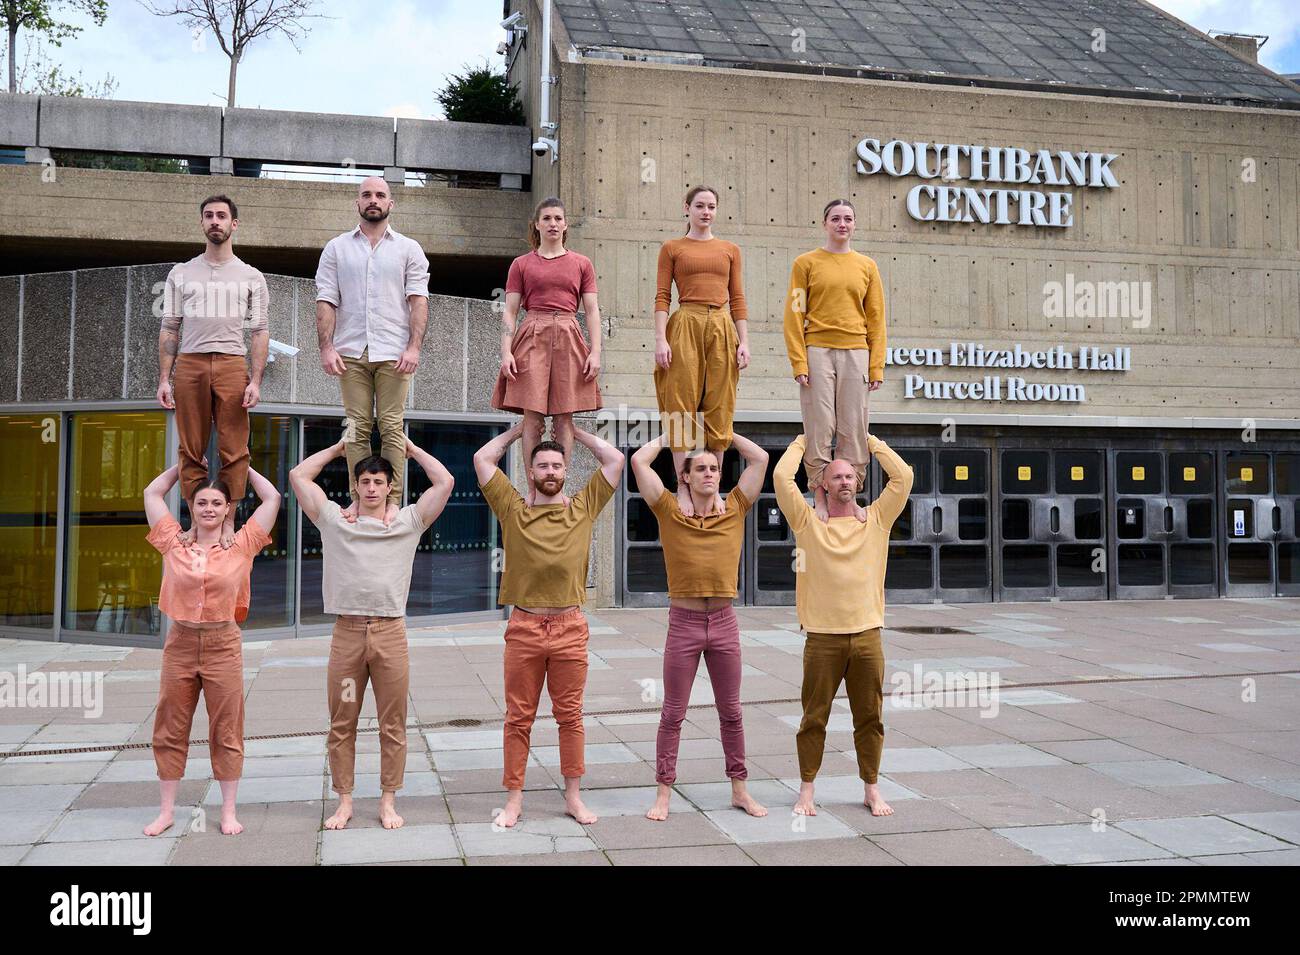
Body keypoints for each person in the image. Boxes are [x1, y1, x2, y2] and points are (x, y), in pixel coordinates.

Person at [290, 433, 454, 830]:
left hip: (389, 636)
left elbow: (445, 482)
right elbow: (298, 476)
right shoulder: (334, 520)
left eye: (379, 481)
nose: (372, 487)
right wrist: (336, 449)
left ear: (390, 486)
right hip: (347, 636)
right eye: (365, 481)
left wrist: (413, 449)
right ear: (356, 486)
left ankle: (388, 800)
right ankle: (345, 801)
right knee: (342, 721)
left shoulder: (408, 522)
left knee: (392, 723)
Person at [473, 422, 624, 827]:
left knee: (570, 716)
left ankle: (573, 798)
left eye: (558, 465)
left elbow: (615, 459)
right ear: (531, 472)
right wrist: (519, 429)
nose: (552, 472)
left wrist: (574, 428)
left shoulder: (583, 507)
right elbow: (483, 459)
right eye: (543, 466)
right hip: (524, 626)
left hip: (570, 625)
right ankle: (514, 800)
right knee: (518, 718)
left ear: (565, 470)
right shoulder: (513, 508)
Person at [773, 433, 912, 817]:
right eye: (836, 477)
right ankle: (806, 790)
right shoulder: (807, 523)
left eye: (850, 476)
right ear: (823, 485)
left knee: (870, 717)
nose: (845, 482)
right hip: (821, 639)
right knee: (813, 718)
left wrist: (867, 441)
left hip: (868, 636)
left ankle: (871, 788)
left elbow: (903, 478)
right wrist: (805, 439)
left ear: (858, 483)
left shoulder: (877, 521)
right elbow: (782, 479)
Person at [631, 432, 768, 821]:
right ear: (685, 476)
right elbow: (640, 462)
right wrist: (668, 437)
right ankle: (663, 793)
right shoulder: (669, 510)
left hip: (725, 622)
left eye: (713, 468)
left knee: (732, 712)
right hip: (684, 623)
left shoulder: (735, 508)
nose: (709, 473)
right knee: (673, 712)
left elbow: (758, 459)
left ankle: (739, 790)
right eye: (700, 469)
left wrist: (725, 435)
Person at [141, 461, 281, 837]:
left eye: (217, 503)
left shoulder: (242, 545)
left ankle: (229, 812)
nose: (208, 509)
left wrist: (241, 465)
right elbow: (152, 494)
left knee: (227, 729)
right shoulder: (173, 542)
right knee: (170, 726)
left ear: (227, 509)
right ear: (192, 507)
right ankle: (166, 811)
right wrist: (184, 465)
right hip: (180, 644)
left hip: (223, 645)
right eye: (201, 502)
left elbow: (272, 498)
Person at [314, 176, 430, 525]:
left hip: (395, 351)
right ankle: (359, 499)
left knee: (392, 426)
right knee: (356, 427)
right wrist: (326, 348)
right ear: (358, 203)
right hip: (350, 351)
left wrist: (413, 347)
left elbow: (418, 301)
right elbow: (326, 300)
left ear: (390, 203)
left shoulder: (409, 248)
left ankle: (392, 500)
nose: (373, 200)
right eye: (367, 195)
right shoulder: (336, 248)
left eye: (380, 195)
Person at [156, 194, 269, 548]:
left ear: (234, 224)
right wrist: (164, 378)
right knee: (191, 448)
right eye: (209, 216)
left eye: (222, 216)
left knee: (234, 448)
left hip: (232, 363)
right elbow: (170, 327)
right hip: (189, 361)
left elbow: (260, 330)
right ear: (202, 223)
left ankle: (228, 521)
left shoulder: (252, 276)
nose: (215, 221)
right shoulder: (181, 272)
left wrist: (256, 379)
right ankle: (194, 521)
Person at [491, 197, 603, 500]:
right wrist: (506, 351)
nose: (553, 223)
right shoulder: (521, 264)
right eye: (547, 218)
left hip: (569, 333)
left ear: (565, 224)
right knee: (532, 418)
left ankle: (557, 489)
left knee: (565, 417)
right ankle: (532, 489)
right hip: (532, 333)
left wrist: (595, 352)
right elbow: (510, 311)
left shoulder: (582, 263)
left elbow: (592, 310)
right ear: (537, 225)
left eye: (558, 218)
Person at [782, 199, 887, 521]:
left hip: (857, 351)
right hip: (817, 351)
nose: (842, 224)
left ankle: (851, 496)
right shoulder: (806, 263)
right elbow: (794, 314)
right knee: (820, 423)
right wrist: (799, 362)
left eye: (848, 219)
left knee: (853, 427)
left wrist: (876, 364)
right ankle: (819, 492)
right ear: (825, 223)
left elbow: (877, 317)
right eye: (836, 218)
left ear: (854, 225)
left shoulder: (867, 266)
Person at [652, 185, 750, 516]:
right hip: (685, 321)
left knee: (720, 405)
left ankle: (714, 488)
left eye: (711, 206)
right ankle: (682, 487)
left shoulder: (730, 249)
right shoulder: (672, 248)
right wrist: (660, 338)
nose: (705, 211)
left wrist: (744, 341)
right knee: (681, 404)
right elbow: (662, 295)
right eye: (699, 206)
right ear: (687, 208)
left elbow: (737, 298)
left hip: (722, 324)